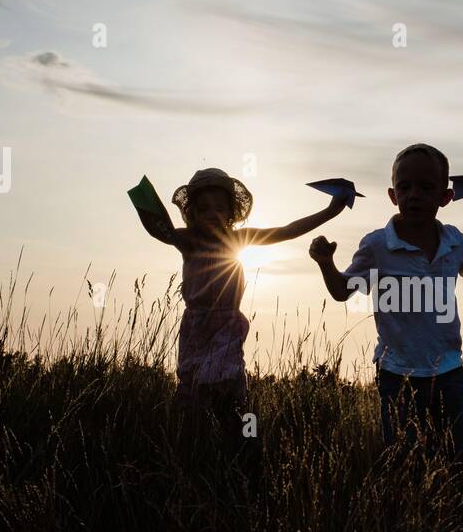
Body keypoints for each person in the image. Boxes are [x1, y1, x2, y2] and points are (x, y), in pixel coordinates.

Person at [308, 144, 463, 480]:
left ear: (445, 197)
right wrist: (326, 263)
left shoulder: (452, 240)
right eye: (405, 187)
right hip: (398, 375)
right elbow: (342, 291)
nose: (414, 195)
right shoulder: (377, 245)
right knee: (406, 466)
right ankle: (408, 524)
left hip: (449, 371)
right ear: (392, 195)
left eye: (426, 187)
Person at [133, 167, 349, 420]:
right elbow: (162, 230)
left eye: (219, 207)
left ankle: (234, 436)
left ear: (230, 212)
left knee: (228, 384)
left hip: (227, 324)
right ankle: (190, 435)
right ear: (192, 214)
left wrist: (330, 211)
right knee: (193, 387)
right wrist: (144, 200)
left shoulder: (239, 239)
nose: (212, 214)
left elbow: (287, 230)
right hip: (197, 325)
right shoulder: (188, 240)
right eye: (203, 209)